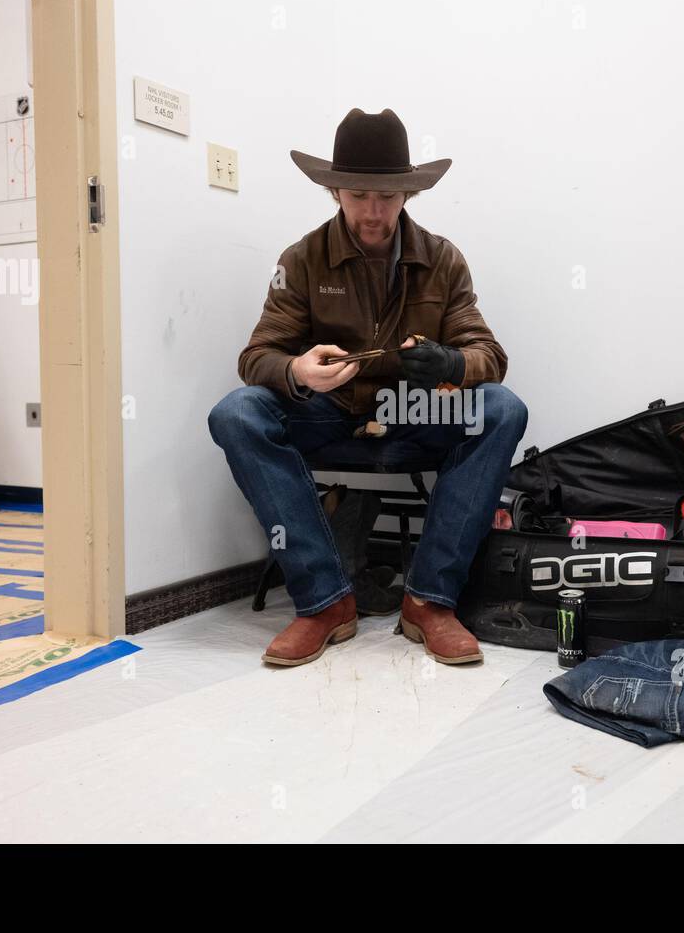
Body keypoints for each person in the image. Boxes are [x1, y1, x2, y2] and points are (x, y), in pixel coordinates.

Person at [209, 108, 528, 668]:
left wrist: (451, 363)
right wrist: (298, 371)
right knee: (237, 414)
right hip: (326, 416)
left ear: (409, 194)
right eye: (359, 195)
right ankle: (324, 602)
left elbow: (491, 359)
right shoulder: (301, 259)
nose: (374, 212)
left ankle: (429, 601)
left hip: (413, 417)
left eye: (387, 197)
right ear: (334, 190)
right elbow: (255, 357)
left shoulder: (443, 260)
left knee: (501, 408)